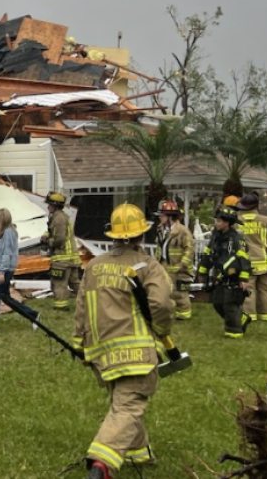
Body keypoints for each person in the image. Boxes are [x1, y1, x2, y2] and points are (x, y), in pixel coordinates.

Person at [74, 203, 173, 479]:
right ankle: (102, 463)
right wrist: (163, 329)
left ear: (113, 235)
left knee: (123, 401)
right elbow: (161, 305)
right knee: (130, 405)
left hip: (102, 354)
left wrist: (78, 343)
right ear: (141, 235)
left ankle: (139, 452)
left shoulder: (93, 266)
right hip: (137, 354)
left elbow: (81, 307)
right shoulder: (148, 267)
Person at [197, 206, 251, 338]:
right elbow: (208, 254)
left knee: (230, 304)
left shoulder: (237, 239)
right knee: (217, 303)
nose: (216, 223)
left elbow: (244, 259)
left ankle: (234, 331)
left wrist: (243, 279)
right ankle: (242, 318)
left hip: (233, 276)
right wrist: (202, 272)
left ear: (227, 223)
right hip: (219, 276)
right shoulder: (215, 237)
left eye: (219, 221)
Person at [234, 192, 267, 322]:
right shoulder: (266, 221)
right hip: (265, 261)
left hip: (247, 262)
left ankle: (250, 316)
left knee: (248, 290)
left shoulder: (236, 221)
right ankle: (266, 315)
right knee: (265, 289)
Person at [154, 200, 194, 320]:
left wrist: (183, 264)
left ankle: (184, 313)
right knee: (165, 289)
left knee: (179, 292)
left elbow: (190, 248)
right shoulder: (161, 229)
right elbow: (159, 247)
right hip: (165, 265)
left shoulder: (182, 231)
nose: (160, 217)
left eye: (162, 215)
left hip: (179, 266)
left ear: (169, 216)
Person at [42, 192, 79, 310]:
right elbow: (54, 231)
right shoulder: (60, 217)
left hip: (62, 258)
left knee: (59, 283)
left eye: (49, 205)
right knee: (74, 282)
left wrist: (48, 242)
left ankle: (60, 307)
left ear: (55, 205)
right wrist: (46, 234)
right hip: (71, 257)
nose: (48, 207)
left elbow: (60, 239)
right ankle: (89, 298)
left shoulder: (58, 219)